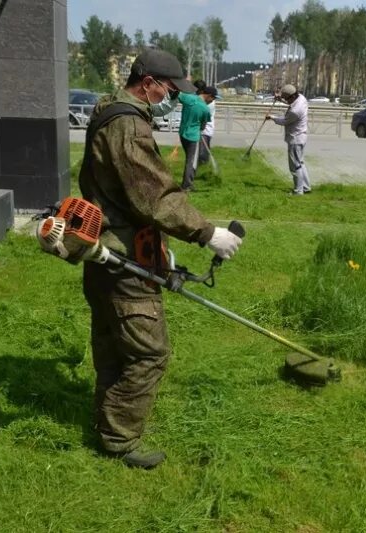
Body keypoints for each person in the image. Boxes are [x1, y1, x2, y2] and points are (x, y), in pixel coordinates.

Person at [78, 48, 242, 469]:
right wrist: (207, 234)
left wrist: (162, 247)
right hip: (123, 257)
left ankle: (107, 424)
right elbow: (154, 196)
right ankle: (119, 438)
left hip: (104, 250)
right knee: (150, 353)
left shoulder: (107, 109)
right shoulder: (129, 126)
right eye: (169, 90)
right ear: (147, 82)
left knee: (113, 345)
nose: (173, 98)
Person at [267, 84, 311, 195]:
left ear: (291, 97)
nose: (286, 100)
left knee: (295, 166)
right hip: (301, 137)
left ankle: (298, 191)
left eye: (286, 98)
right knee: (300, 163)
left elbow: (284, 121)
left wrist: (272, 117)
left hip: (295, 139)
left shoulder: (295, 111)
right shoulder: (301, 98)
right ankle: (306, 187)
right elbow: (290, 103)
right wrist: (280, 99)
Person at [177, 81, 212, 191]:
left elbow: (177, 95)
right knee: (191, 161)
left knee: (189, 159)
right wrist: (199, 129)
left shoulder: (188, 98)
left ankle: (188, 183)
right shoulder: (205, 109)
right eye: (213, 98)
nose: (212, 101)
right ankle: (187, 185)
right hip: (193, 137)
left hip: (182, 134)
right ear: (208, 95)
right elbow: (203, 126)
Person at [198, 86, 219, 165]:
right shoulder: (205, 102)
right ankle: (202, 167)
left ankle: (203, 167)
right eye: (213, 97)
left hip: (205, 131)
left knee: (203, 154)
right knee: (202, 153)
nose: (213, 100)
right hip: (206, 131)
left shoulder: (208, 104)